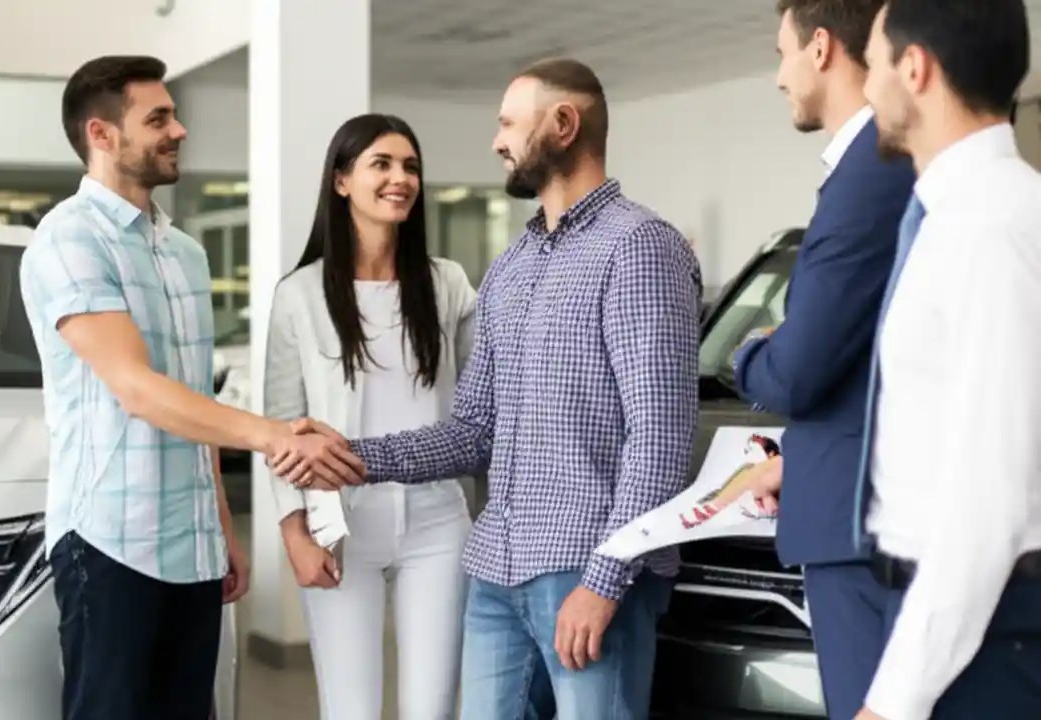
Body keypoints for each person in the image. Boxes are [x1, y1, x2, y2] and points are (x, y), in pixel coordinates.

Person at [277, 58, 701, 720]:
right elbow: (474, 429)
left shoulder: (640, 247)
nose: (497, 141)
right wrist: (351, 457)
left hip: (585, 570)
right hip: (497, 571)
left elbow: (660, 435)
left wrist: (605, 579)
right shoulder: (512, 266)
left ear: (563, 124)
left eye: (508, 123)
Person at [18, 55, 363, 720]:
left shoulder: (184, 253)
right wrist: (273, 436)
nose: (179, 131)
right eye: (158, 119)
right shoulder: (68, 239)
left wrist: (220, 524)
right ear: (101, 134)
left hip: (193, 544)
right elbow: (138, 389)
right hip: (110, 540)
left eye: (174, 116)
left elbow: (192, 397)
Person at [853, 1, 1041, 718]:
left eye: (871, 63)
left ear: (915, 68)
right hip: (957, 626)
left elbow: (988, 501)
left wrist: (893, 701)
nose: (865, 86)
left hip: (983, 640)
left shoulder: (989, 229)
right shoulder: (961, 216)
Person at [728, 2, 915, 717]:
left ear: (821, 48)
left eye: (782, 53)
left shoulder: (871, 171)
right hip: (851, 499)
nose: (780, 76)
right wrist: (799, 461)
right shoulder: (872, 169)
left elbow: (800, 368)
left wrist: (750, 352)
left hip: (858, 527)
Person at [264, 113, 479, 720]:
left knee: (431, 709)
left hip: (439, 523)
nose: (400, 178)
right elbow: (282, 425)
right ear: (341, 181)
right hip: (339, 528)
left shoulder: (447, 283)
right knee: (350, 709)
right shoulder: (300, 294)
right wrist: (295, 536)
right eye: (380, 164)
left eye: (410, 166)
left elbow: (481, 405)